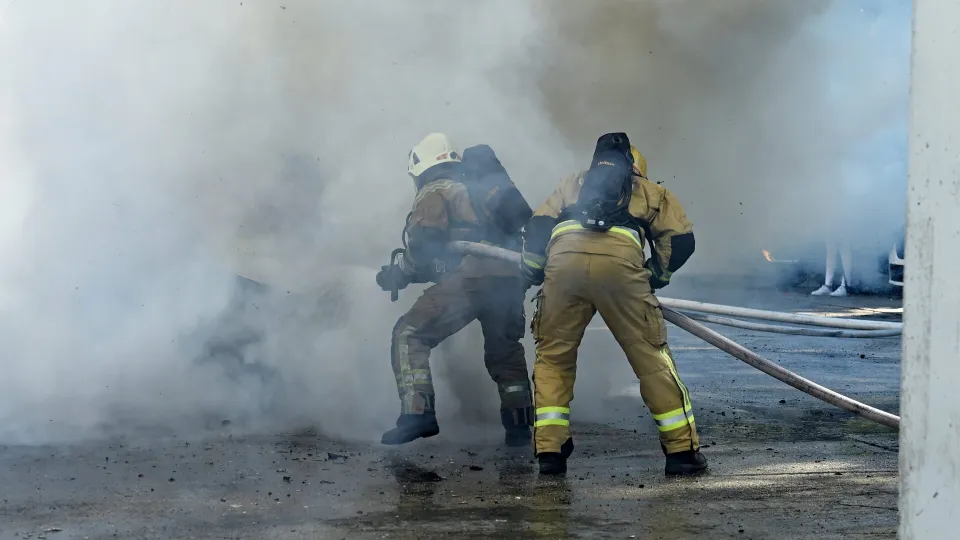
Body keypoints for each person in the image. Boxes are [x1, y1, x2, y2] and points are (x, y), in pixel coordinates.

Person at [519, 132, 706, 475]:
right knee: (650, 357)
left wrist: (532, 269)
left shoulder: (571, 183)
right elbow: (680, 241)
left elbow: (538, 225)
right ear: (636, 168)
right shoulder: (650, 191)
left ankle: (550, 451)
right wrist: (655, 276)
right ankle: (681, 452)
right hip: (620, 268)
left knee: (553, 359)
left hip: (564, 263)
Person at [376, 133, 534, 447]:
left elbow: (422, 245)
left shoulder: (436, 190)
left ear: (420, 167)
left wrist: (399, 272)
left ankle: (417, 413)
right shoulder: (478, 193)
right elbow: (445, 253)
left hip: (471, 279)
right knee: (506, 353)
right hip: (509, 280)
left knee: (409, 333)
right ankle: (519, 429)